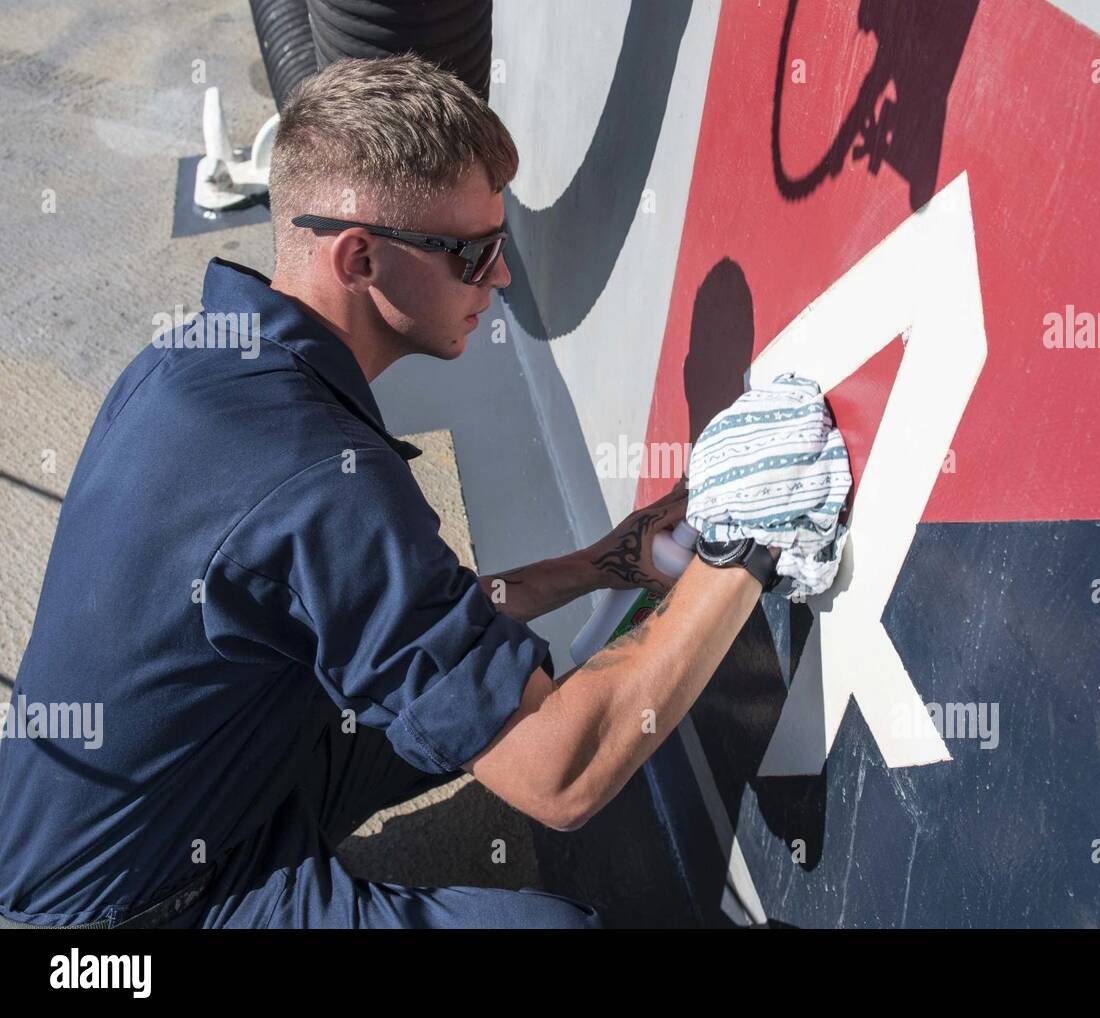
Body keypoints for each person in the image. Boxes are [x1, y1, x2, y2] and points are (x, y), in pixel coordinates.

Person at [0, 54, 777, 929]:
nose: (503, 278)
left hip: (206, 786)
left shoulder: (200, 361)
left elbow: (413, 622)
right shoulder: (316, 477)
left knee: (499, 681)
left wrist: (594, 566)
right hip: (128, 924)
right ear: (361, 258)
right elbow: (563, 776)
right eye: (475, 254)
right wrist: (742, 549)